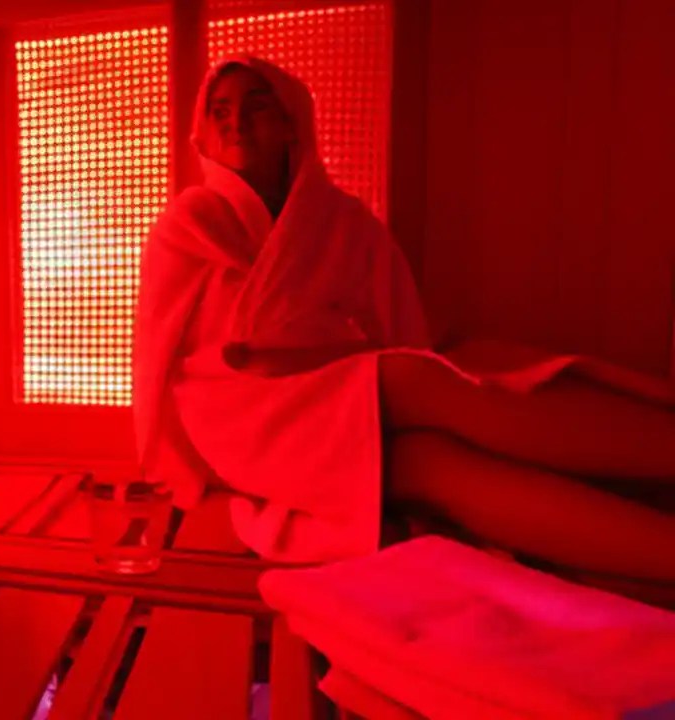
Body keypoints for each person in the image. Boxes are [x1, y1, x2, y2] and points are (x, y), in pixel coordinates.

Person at [133, 55, 675, 581]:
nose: (237, 124)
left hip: (325, 391)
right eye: (220, 111)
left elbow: (400, 327)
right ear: (203, 132)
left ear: (290, 122)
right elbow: (156, 353)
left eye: (255, 106)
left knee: (434, 465)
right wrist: (175, 464)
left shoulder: (340, 220)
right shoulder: (187, 222)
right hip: (238, 413)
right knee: (422, 381)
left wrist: (388, 365)